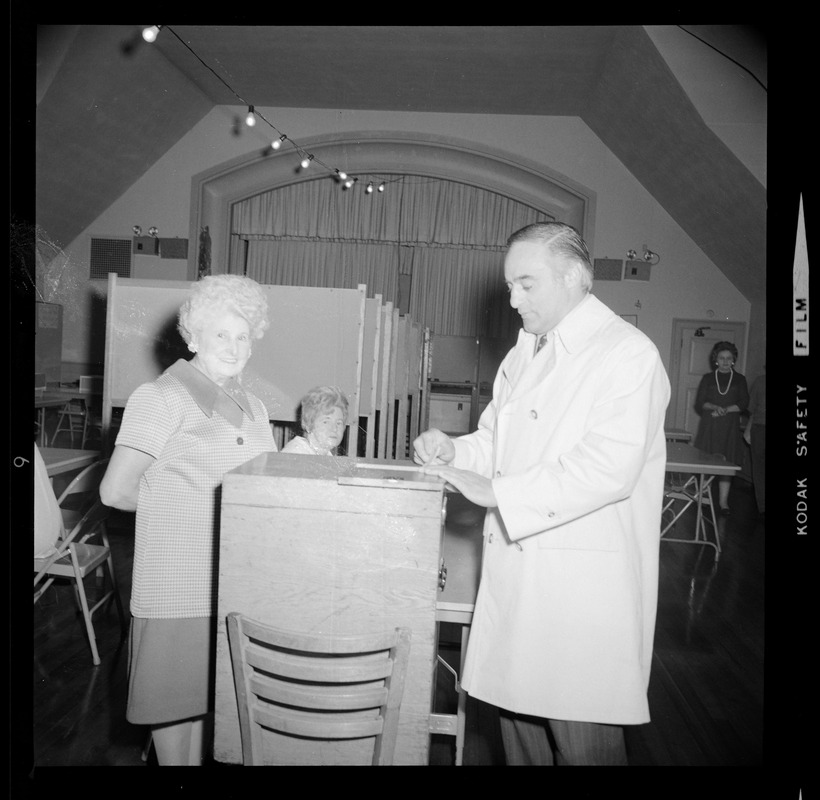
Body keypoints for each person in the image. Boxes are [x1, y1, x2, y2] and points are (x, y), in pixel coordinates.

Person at [413, 221, 670, 766]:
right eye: (510, 286)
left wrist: (500, 493)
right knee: (521, 745)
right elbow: (496, 439)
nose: (512, 298)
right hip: (517, 583)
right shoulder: (525, 349)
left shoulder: (627, 353)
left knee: (585, 749)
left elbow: (609, 468)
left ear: (574, 277)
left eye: (526, 284)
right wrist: (455, 451)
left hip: (580, 596)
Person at [100, 274, 276, 766]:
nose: (234, 346)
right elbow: (116, 491)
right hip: (179, 582)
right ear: (193, 336)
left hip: (236, 584)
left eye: (243, 335)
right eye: (221, 334)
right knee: (175, 711)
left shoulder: (255, 407)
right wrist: (200, 510)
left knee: (211, 706)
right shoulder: (161, 398)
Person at [693, 341, 749, 515]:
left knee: (726, 463)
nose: (725, 361)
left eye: (729, 358)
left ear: (733, 360)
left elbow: (744, 403)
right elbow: (700, 403)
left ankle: (723, 502)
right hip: (711, 424)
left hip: (730, 425)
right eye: (721, 358)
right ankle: (701, 495)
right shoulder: (708, 378)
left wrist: (726, 410)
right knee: (706, 461)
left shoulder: (740, 379)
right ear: (715, 360)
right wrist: (714, 407)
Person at [282, 385, 349, 455]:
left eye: (339, 423)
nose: (334, 429)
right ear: (308, 424)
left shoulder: (326, 455)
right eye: (326, 422)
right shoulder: (295, 453)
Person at [743, 368, 765, 514]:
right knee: (759, 468)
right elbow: (752, 410)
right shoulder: (760, 381)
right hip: (760, 428)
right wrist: (748, 430)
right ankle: (762, 507)